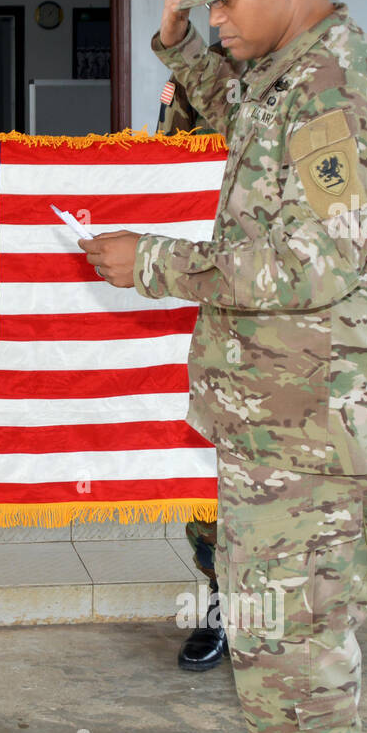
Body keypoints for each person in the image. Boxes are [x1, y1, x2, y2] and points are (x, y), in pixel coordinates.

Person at [82, 0, 367, 733]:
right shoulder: (284, 76)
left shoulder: (336, 94)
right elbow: (227, 104)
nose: (218, 18)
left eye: (227, 0)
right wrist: (178, 38)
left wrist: (149, 262)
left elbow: (308, 266)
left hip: (311, 421)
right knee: (264, 610)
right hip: (275, 412)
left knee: (295, 620)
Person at [158, 43, 231, 674]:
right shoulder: (190, 83)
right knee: (209, 475)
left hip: (285, 315)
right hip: (204, 298)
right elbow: (160, 175)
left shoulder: (309, 88)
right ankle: (220, 612)